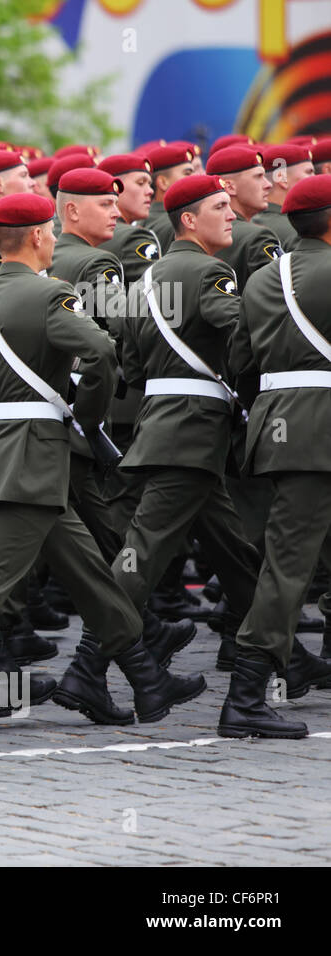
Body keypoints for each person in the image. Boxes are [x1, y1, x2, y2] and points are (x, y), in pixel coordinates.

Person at [0, 192, 204, 763]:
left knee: (89, 572)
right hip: (35, 456)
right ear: (37, 236)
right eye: (51, 231)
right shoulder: (52, 294)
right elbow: (101, 354)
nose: (54, 239)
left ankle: (143, 675)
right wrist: (87, 420)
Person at [112, 174, 264, 668]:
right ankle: (90, 660)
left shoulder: (143, 280)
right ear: (190, 220)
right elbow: (242, 331)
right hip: (192, 429)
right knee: (143, 550)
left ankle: (264, 643)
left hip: (164, 422)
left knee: (233, 549)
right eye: (220, 207)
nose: (231, 215)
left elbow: (132, 368)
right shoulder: (211, 272)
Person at [223, 174, 331, 738]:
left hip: (282, 425)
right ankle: (244, 696)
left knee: (290, 558)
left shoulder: (265, 277)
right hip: (320, 430)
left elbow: (240, 359)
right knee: (289, 566)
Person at [206, 146, 284, 289]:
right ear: (230, 187)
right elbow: (281, 291)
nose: (268, 184)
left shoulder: (202, 232)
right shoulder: (258, 237)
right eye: (258, 177)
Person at [98, 153, 162, 283]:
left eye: (149, 184)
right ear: (115, 188)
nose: (150, 191)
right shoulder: (134, 237)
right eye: (140, 183)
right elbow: (160, 291)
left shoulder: (89, 232)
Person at [254, 143, 314, 247]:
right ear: (281, 178)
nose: (315, 178)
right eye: (309, 172)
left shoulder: (253, 219)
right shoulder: (297, 231)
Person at [143, 145, 199, 251]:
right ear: (163, 182)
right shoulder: (179, 223)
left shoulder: (142, 219)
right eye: (187, 173)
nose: (195, 178)